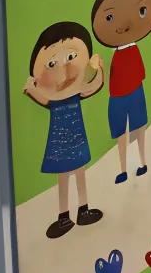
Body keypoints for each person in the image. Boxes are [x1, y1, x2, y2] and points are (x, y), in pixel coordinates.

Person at [23, 21, 104, 239]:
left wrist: (99, 69)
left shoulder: (77, 93)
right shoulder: (55, 100)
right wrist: (31, 88)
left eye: (71, 57)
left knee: (80, 173)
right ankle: (63, 215)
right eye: (51, 63)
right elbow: (42, 98)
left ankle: (83, 209)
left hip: (77, 140)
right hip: (59, 143)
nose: (64, 70)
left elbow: (93, 86)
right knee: (63, 178)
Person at [91, 0, 151, 184]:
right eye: (110, 18)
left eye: (141, 10)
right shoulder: (118, 54)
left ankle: (142, 162)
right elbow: (128, 75)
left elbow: (140, 72)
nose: (122, 24)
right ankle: (123, 169)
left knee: (139, 130)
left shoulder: (132, 50)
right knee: (121, 135)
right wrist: (99, 68)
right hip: (118, 97)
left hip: (133, 93)